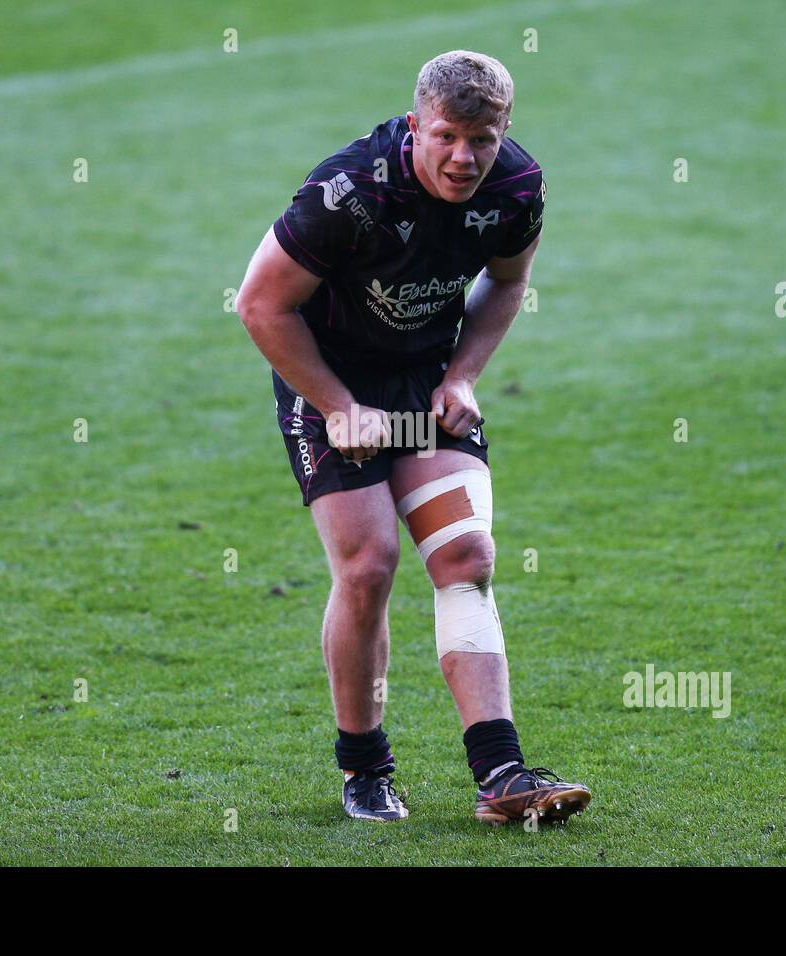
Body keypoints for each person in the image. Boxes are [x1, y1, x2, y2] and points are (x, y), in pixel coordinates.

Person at [236, 50, 590, 825]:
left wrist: (462, 375)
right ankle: (365, 768)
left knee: (468, 557)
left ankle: (501, 776)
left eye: (485, 138)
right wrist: (335, 404)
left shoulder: (516, 188)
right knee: (369, 566)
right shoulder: (348, 193)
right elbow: (261, 305)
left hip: (425, 378)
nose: (465, 157)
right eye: (448, 136)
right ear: (414, 126)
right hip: (325, 375)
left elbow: (507, 279)